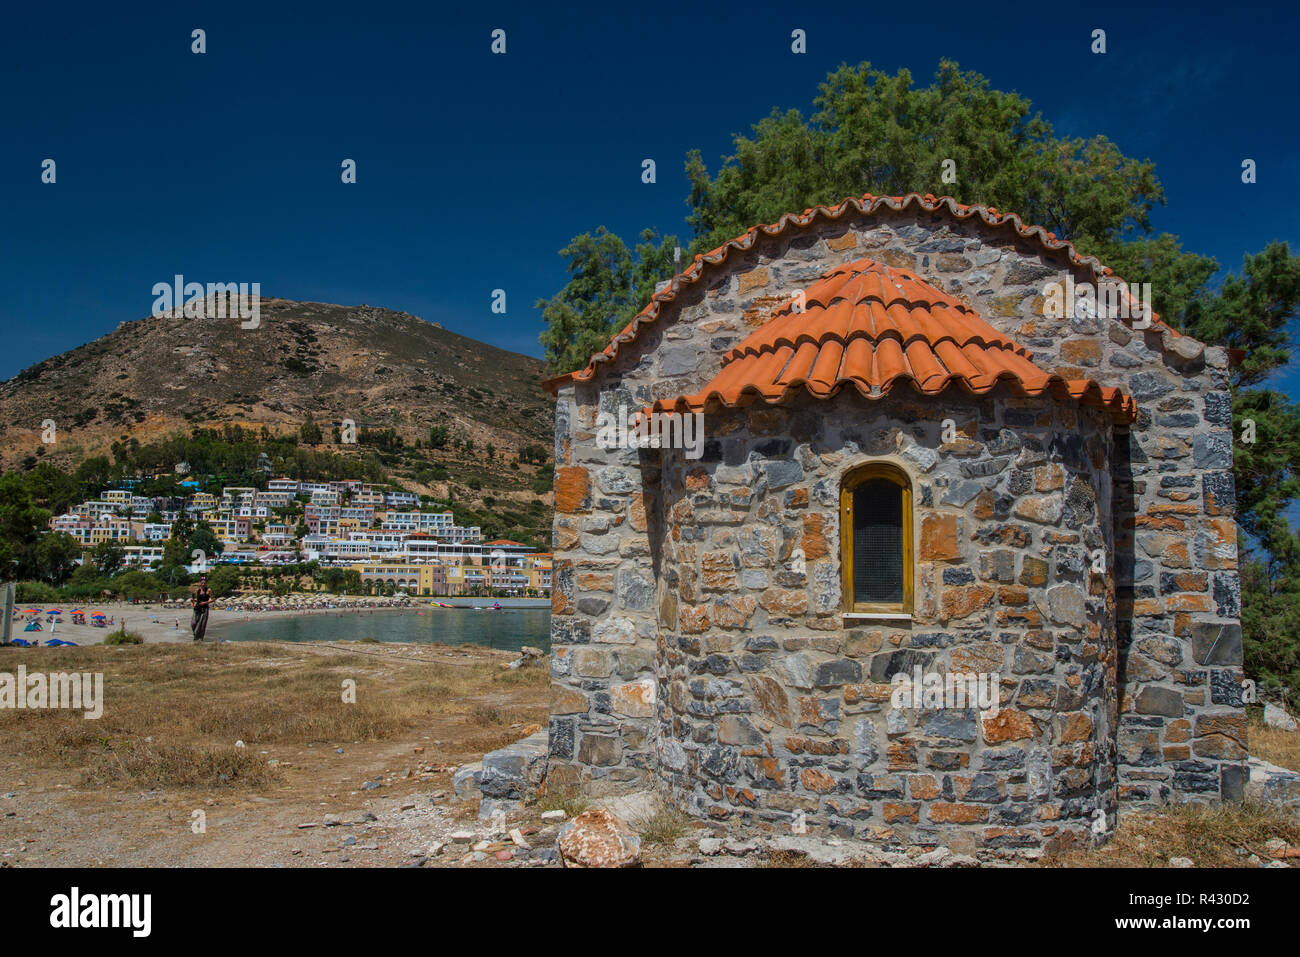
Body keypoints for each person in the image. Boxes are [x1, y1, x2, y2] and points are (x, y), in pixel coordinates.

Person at [191, 575, 214, 642]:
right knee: (193, 623)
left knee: (202, 624)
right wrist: (194, 600)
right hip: (197, 608)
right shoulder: (198, 590)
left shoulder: (208, 590)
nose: (203, 584)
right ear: (200, 583)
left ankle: (199, 639)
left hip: (204, 609)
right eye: (202, 583)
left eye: (204, 583)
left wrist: (205, 603)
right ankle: (195, 634)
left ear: (206, 583)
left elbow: (213, 599)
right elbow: (198, 599)